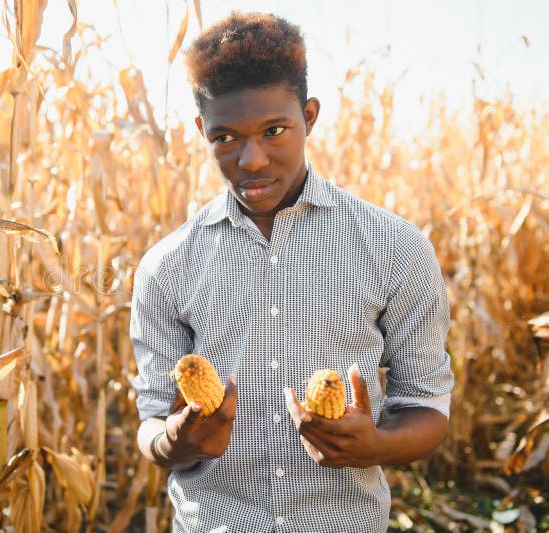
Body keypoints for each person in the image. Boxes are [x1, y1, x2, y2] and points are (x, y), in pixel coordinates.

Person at [129, 11, 454, 532]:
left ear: (310, 116)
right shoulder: (167, 267)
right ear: (202, 132)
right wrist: (174, 441)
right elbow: (151, 421)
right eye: (226, 137)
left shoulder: (395, 247)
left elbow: (426, 403)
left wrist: (379, 444)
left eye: (274, 130)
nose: (251, 159)